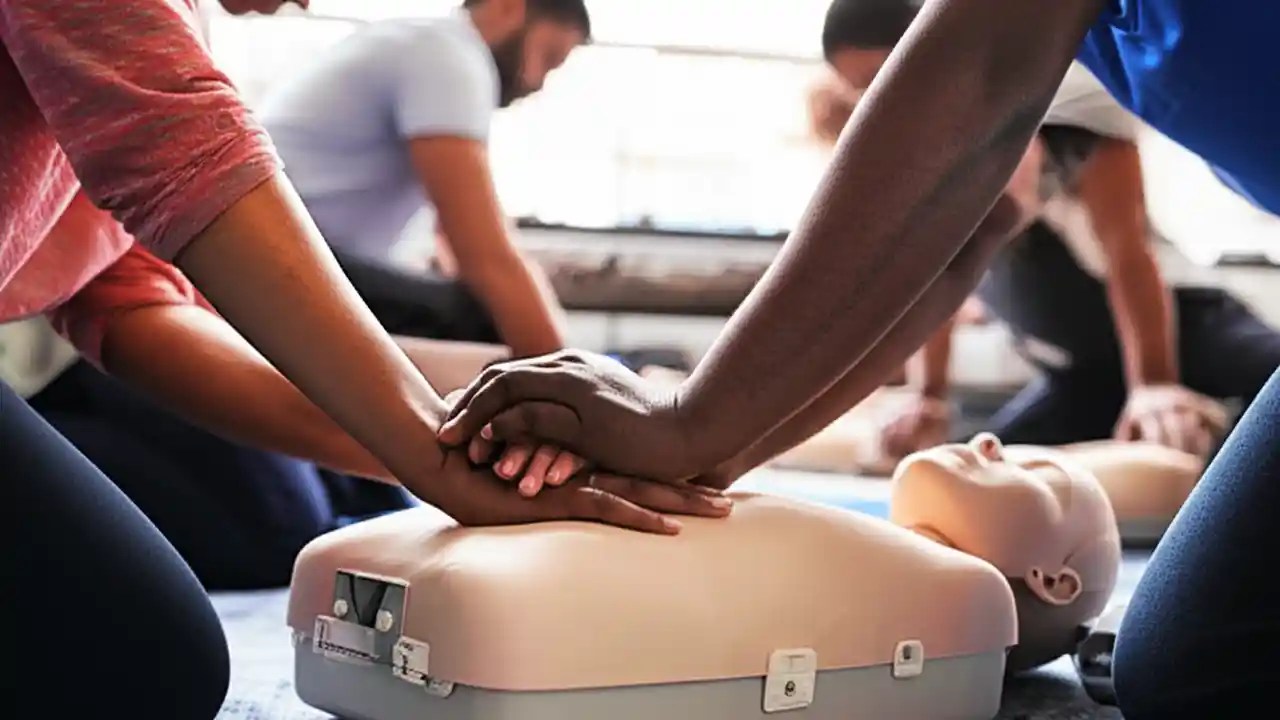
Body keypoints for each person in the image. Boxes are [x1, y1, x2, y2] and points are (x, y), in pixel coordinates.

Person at [439, 0, 1280, 717]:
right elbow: (946, 249)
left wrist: (691, 423)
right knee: (1190, 672)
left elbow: (1122, 257)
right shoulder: (1025, 82)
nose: (989, 447)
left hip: (1206, 336)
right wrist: (716, 450)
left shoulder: (1075, 130)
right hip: (1070, 361)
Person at [0, 1, 727, 716]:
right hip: (166, 318)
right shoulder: (443, 55)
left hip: (196, 310)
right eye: (551, 58)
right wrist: (446, 443)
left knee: (153, 663)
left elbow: (127, 297)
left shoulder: (186, 20)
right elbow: (189, 158)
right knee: (147, 653)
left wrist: (457, 448)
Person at [812, 9, 1280, 463]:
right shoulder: (927, 172)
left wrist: (1153, 384)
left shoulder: (1079, 133)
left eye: (881, 83)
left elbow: (1129, 257)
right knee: (965, 470)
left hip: (1191, 338)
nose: (877, 108)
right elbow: (942, 272)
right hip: (1081, 378)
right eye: (861, 92)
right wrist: (929, 394)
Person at [258, 0, 586, 356]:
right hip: (281, 259)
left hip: (289, 252)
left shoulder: (424, 45)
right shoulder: (450, 57)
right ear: (509, 7)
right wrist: (575, 370)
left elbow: (456, 238)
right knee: (485, 316)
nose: (537, 82)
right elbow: (486, 257)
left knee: (484, 305)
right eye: (548, 57)